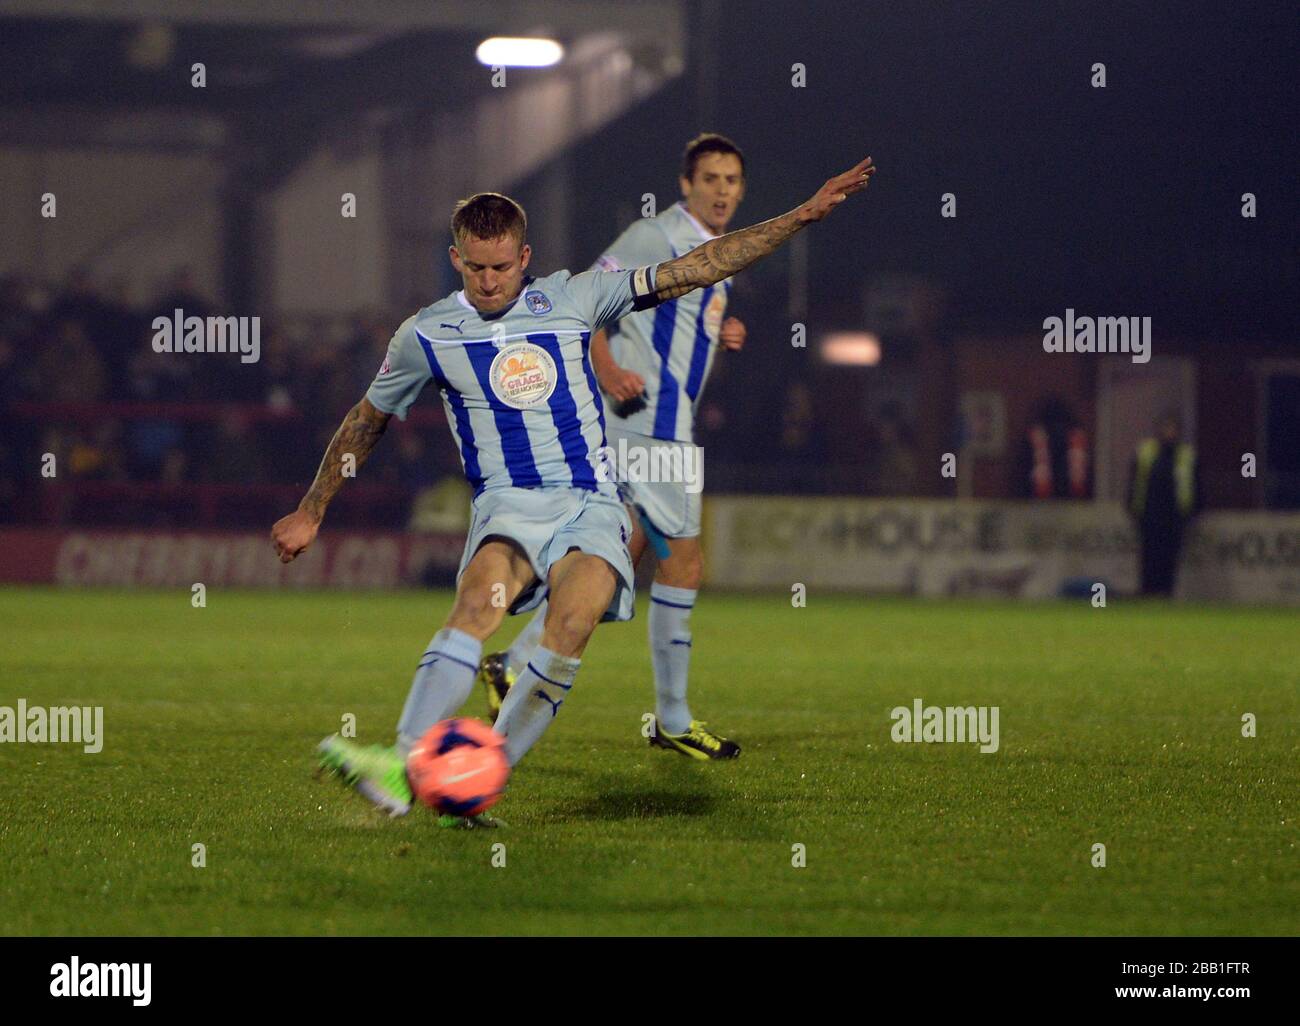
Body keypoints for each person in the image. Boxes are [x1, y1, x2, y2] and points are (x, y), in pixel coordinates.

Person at [271, 155, 877, 821]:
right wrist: (311, 510)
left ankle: (478, 777)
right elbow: (367, 419)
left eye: (502, 266)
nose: (490, 280)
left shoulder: (573, 297)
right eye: (475, 267)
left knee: (574, 621)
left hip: (592, 506)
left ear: (523, 255)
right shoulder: (426, 334)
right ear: (455, 258)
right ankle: (401, 758)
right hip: (509, 506)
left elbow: (698, 267)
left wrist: (800, 215)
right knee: (479, 605)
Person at [476, 133, 751, 760]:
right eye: (709, 178)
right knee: (682, 563)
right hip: (644, 425)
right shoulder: (656, 236)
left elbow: (678, 326)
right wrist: (605, 372)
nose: (721, 190)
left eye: (732, 180)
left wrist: (722, 328)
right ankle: (674, 720)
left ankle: (512, 661)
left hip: (657, 426)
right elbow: (584, 306)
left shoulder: (718, 254)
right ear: (686, 185)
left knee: (614, 557)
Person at [1127, 412, 1199, 596]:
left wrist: (1192, 512)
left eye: (1172, 428)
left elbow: (1196, 485)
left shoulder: (1186, 455)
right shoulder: (1145, 451)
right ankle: (1147, 591)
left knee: (1169, 557)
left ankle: (1166, 593)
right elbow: (1134, 481)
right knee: (1148, 556)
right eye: (1166, 428)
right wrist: (1132, 507)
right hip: (1148, 514)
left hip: (1175, 517)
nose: (1169, 432)